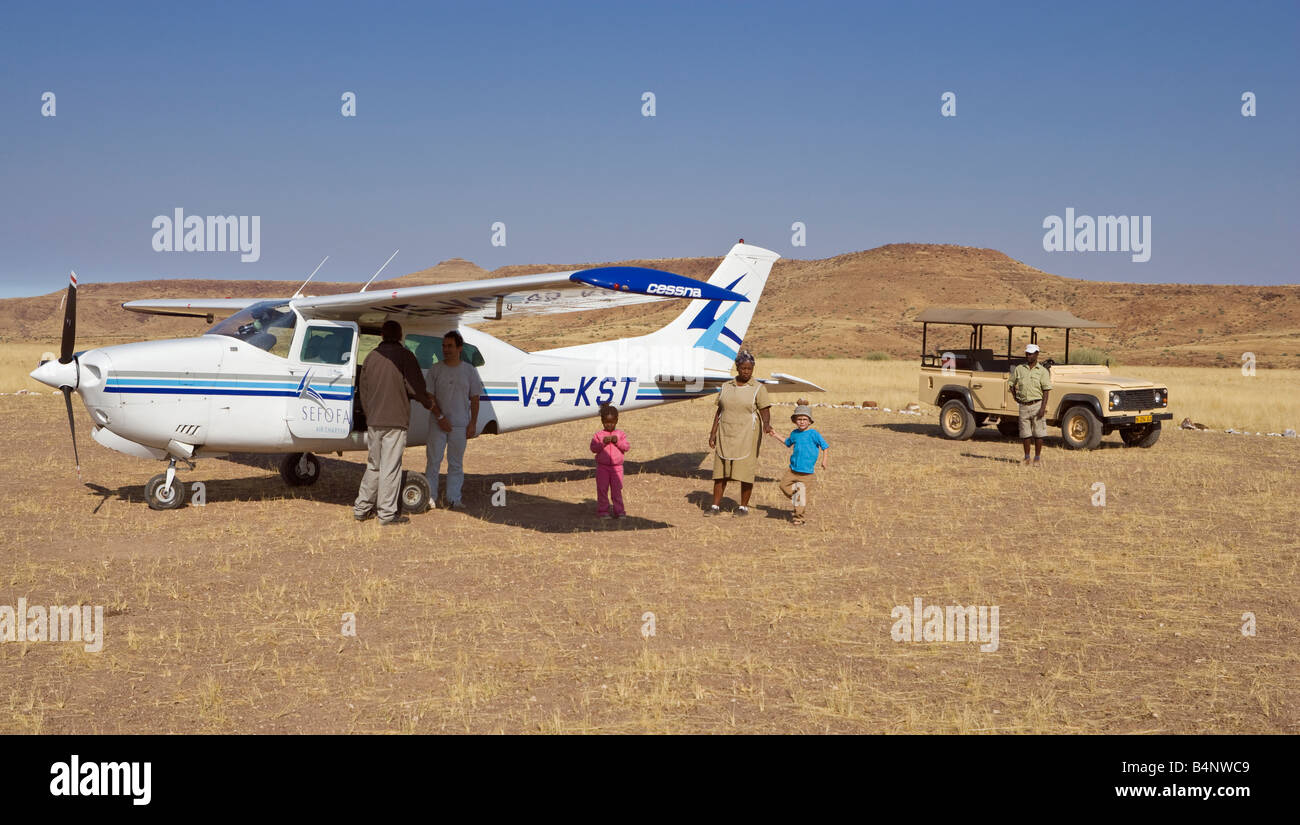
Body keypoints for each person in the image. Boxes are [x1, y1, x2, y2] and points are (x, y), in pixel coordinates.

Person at [354, 320, 434, 525]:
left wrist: (370, 414)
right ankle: (387, 514)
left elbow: (363, 391)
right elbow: (416, 387)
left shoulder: (371, 357)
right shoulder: (406, 357)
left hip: (374, 421)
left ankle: (361, 508)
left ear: (382, 335)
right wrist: (429, 403)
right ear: (400, 336)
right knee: (390, 467)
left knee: (374, 465)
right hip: (395, 421)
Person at [705, 350, 776, 516]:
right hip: (726, 432)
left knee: (745, 470)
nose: (746, 371)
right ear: (737, 367)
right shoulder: (726, 386)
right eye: (743, 368)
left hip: (747, 433)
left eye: (749, 369)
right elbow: (720, 410)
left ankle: (743, 507)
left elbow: (765, 409)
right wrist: (713, 432)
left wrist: (766, 424)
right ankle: (715, 506)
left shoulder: (758, 388)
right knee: (720, 471)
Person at [424, 330, 484, 509]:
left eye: (450, 346)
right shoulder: (436, 369)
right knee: (433, 461)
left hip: (460, 424)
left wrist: (472, 423)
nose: (446, 349)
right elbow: (429, 397)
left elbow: (475, 398)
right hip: (437, 423)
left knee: (456, 463)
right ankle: (430, 497)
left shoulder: (469, 371)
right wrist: (440, 417)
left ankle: (453, 498)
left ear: (459, 348)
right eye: (444, 346)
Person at [770, 401, 829, 525]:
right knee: (783, 486)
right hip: (793, 470)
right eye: (799, 419)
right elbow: (787, 443)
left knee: (801, 497)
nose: (802, 421)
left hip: (807, 473)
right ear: (794, 421)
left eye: (804, 419)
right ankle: (798, 499)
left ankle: (799, 518)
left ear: (810, 421)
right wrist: (775, 435)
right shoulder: (794, 433)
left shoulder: (814, 434)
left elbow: (825, 447)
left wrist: (824, 460)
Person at [1009, 342, 1053, 465]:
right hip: (1023, 405)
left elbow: (1046, 391)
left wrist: (1042, 408)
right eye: (1027, 353)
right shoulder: (1019, 369)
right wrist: (1015, 397)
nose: (1028, 356)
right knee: (1025, 433)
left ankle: (1037, 458)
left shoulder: (1042, 371)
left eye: (1031, 354)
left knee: (1039, 433)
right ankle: (1027, 457)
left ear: (1037, 354)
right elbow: (1011, 383)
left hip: (1037, 405)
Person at [589, 404, 630, 518]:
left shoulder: (621, 435)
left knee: (617, 491)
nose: (609, 425)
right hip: (602, 468)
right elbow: (593, 448)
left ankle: (619, 511)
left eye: (612, 422)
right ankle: (603, 511)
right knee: (602, 489)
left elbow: (626, 447)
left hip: (617, 468)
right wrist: (603, 442)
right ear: (602, 421)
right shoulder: (598, 435)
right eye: (607, 422)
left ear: (616, 421)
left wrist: (618, 442)